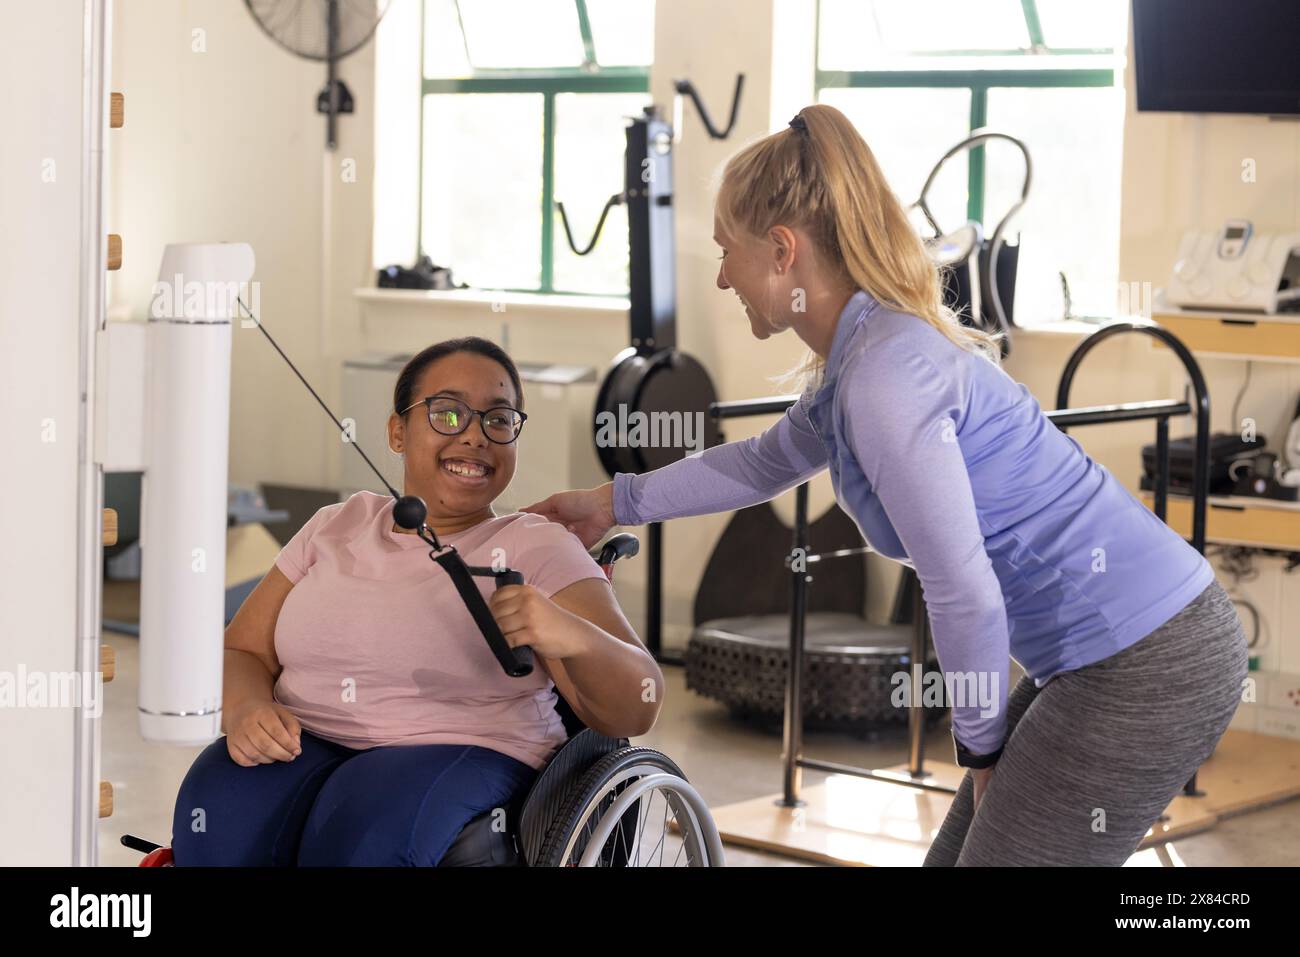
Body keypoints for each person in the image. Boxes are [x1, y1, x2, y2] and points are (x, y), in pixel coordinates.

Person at [523, 104, 1247, 866]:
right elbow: (761, 463)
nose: (721, 275)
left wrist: (980, 752)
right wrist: (606, 503)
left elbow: (962, 588)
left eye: (727, 251)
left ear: (782, 250)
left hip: (1147, 655)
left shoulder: (884, 375)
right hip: (1104, 651)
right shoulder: (860, 357)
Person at [171, 337, 663, 866]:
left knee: (362, 831)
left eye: (498, 420)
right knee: (217, 814)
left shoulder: (538, 544)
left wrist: (572, 635)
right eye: (447, 413)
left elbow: (639, 702)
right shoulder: (335, 524)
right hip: (304, 739)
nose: (474, 435)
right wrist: (247, 706)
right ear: (397, 431)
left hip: (461, 750)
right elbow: (242, 650)